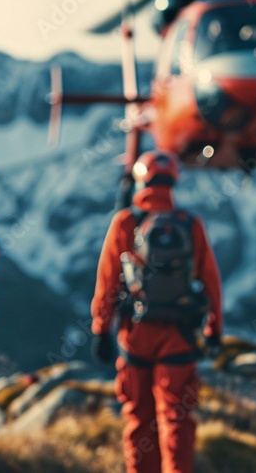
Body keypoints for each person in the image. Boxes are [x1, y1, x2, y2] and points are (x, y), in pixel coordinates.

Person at [90, 150, 222, 473]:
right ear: (173, 180)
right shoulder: (190, 224)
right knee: (176, 420)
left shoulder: (125, 222)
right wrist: (213, 329)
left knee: (138, 421)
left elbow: (107, 281)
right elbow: (211, 281)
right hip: (179, 335)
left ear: (140, 179)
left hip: (136, 335)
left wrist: (101, 329)